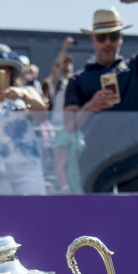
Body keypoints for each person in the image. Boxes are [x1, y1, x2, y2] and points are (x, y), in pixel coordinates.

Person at [64, 0, 138, 193]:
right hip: (95, 163)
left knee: (133, 223)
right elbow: (69, 126)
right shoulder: (78, 79)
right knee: (98, 223)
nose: (108, 42)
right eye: (102, 37)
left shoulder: (134, 68)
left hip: (131, 159)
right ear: (93, 40)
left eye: (113, 36)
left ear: (121, 38)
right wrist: (90, 107)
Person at [0, 43, 49, 195]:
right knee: (1, 216)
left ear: (10, 72)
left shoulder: (28, 92)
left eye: (2, 68)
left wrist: (22, 95)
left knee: (34, 214)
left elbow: (42, 116)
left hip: (28, 167)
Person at [47, 37, 84, 193]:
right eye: (64, 62)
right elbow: (54, 71)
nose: (66, 65)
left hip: (72, 128)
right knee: (58, 162)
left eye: (69, 62)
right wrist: (64, 49)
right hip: (57, 126)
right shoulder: (56, 83)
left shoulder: (76, 83)